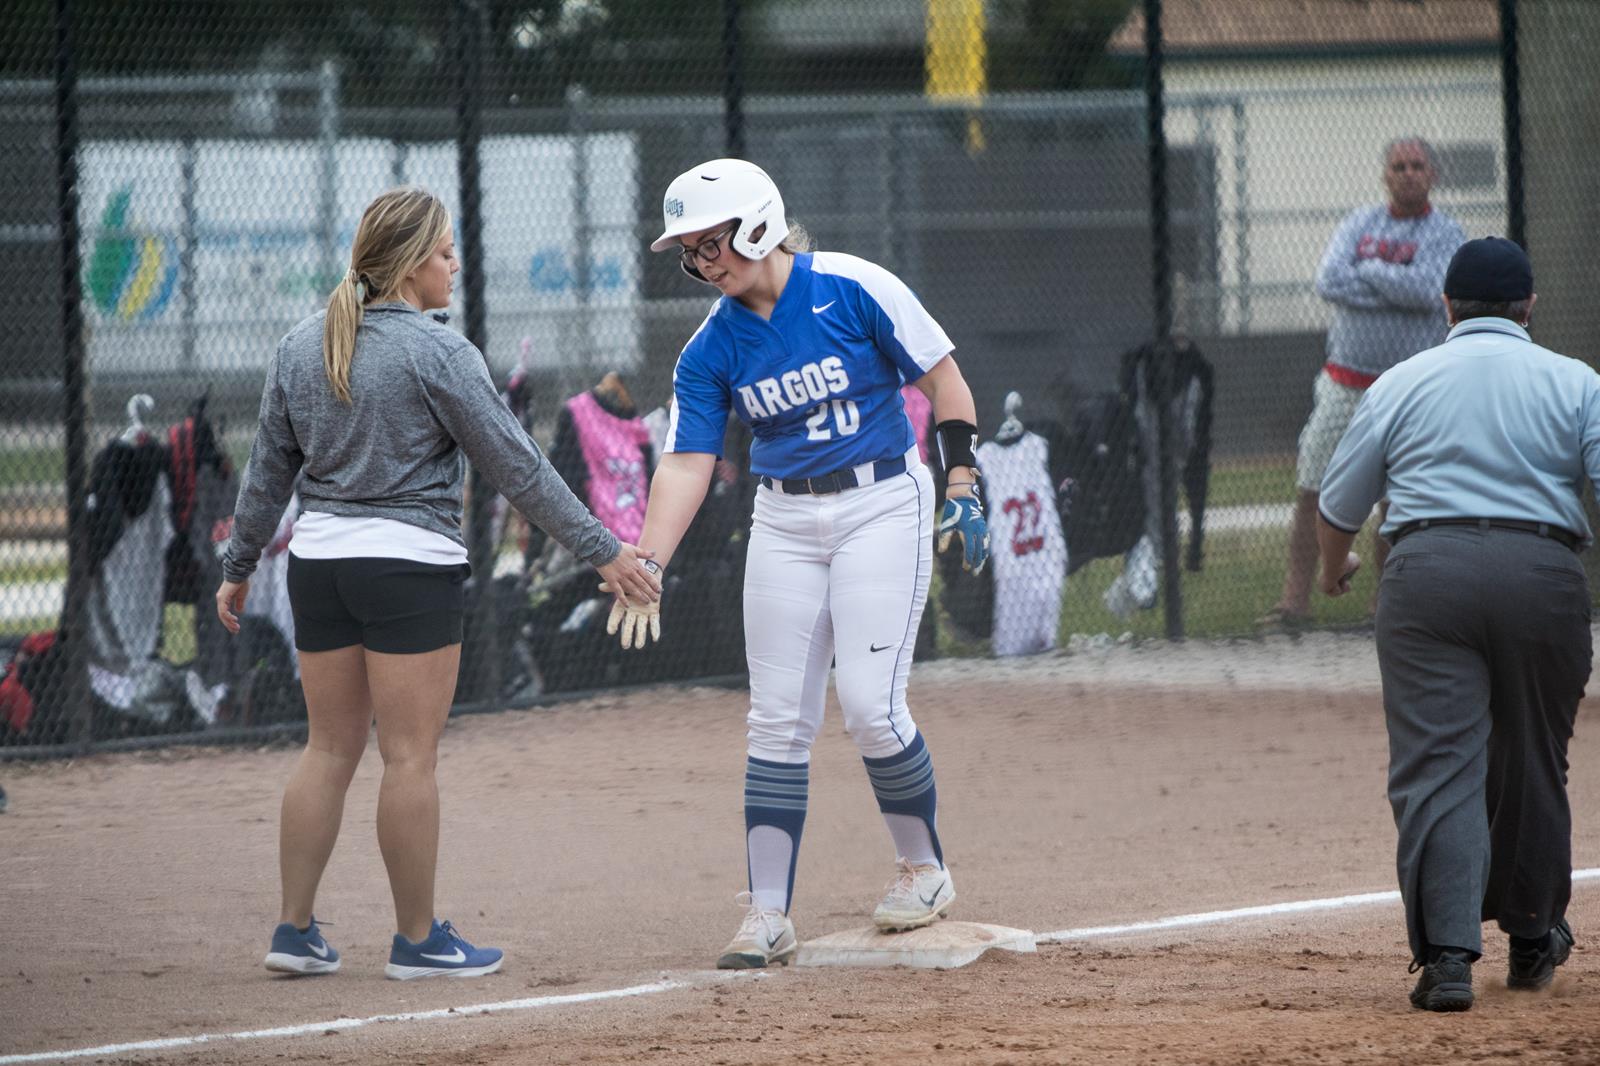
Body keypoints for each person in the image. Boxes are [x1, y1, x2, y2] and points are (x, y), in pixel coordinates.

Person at [217, 187, 659, 980]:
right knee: (409, 757)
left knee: (326, 749)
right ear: (414, 262)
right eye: (447, 252)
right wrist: (605, 550)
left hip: (318, 566)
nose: (456, 265)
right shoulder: (438, 350)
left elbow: (265, 476)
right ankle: (418, 941)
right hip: (408, 567)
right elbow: (517, 466)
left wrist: (239, 565)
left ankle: (293, 931)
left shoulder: (298, 345)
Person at [605, 158, 989, 969]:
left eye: (712, 242)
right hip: (783, 516)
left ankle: (924, 869)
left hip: (883, 500)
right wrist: (649, 559)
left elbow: (944, 383)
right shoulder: (709, 348)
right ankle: (767, 913)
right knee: (776, 718)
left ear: (756, 223)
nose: (703, 262)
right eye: (691, 251)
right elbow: (685, 464)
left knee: (870, 706)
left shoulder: (851, 287)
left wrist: (963, 480)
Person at [1316, 237, 1589, 1011]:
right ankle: (1533, 936)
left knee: (1439, 764)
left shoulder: (1402, 382)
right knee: (1536, 757)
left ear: (1447, 306)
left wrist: (1337, 568)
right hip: (1543, 572)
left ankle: (1447, 958)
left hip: (1426, 575)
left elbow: (1339, 504)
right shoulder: (1576, 382)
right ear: (1529, 306)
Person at [1260, 138, 1465, 628]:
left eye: (1418, 166)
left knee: (1395, 498)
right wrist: (1394, 280)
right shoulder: (1358, 223)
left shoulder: (1445, 232)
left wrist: (1369, 272)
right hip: (1343, 383)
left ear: (1433, 174)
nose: (1409, 174)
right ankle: (1294, 605)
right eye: (1399, 166)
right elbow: (1329, 280)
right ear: (1385, 176)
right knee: (1313, 485)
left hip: (1408, 389)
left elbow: (1428, 292)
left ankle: (1384, 607)